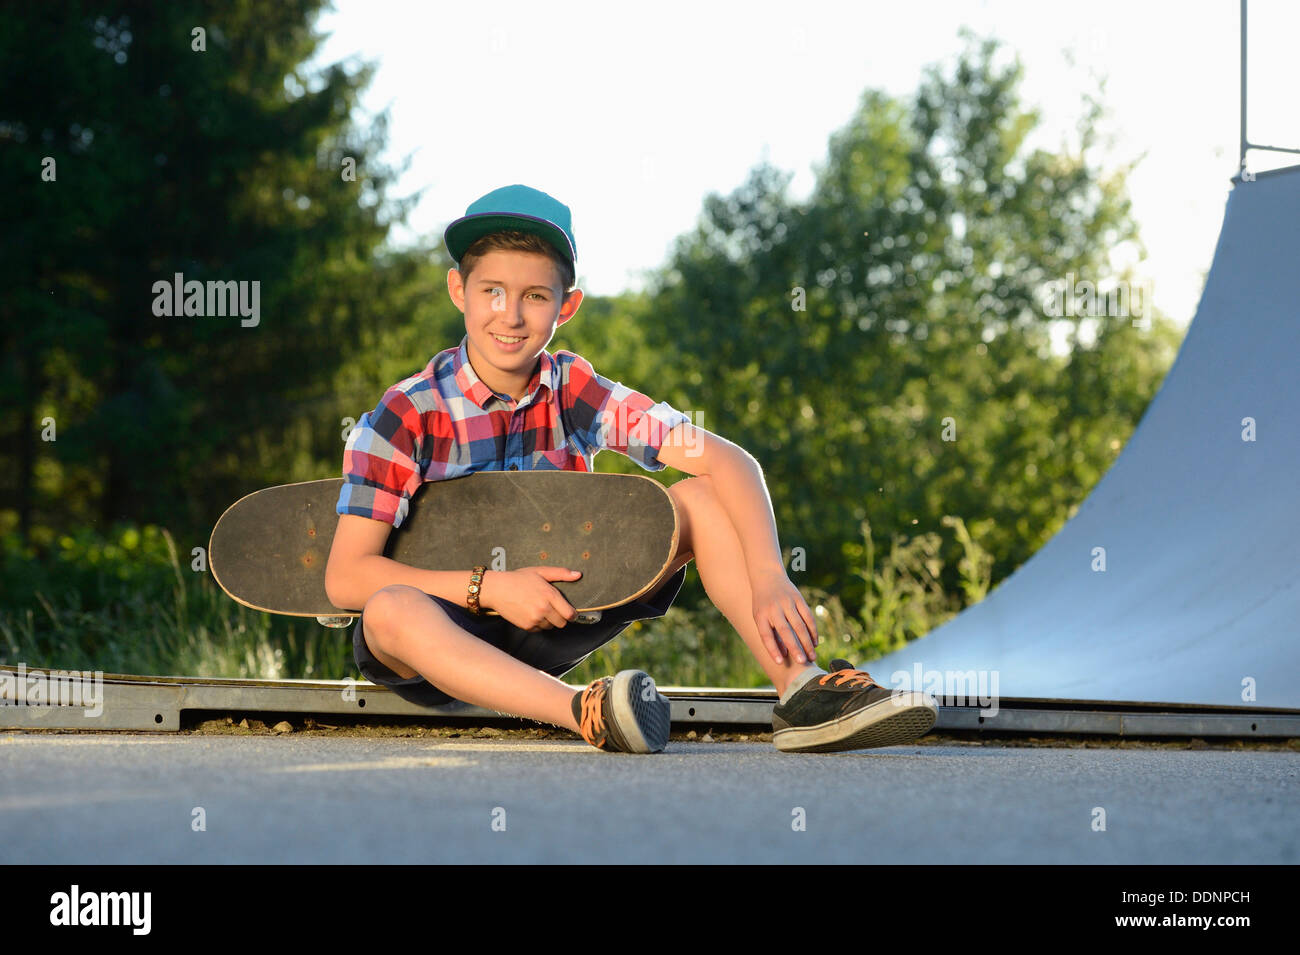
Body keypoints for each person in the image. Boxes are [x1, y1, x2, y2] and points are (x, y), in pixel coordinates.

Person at [323, 184, 937, 754]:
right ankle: (585, 713)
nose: (510, 315)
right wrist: (493, 587)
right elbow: (346, 578)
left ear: (567, 306)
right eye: (492, 291)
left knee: (701, 497)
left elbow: (730, 461)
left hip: (560, 612)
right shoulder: (405, 413)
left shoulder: (575, 388)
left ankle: (800, 688)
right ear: (459, 290)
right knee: (388, 609)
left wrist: (770, 572)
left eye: (535, 296)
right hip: (438, 638)